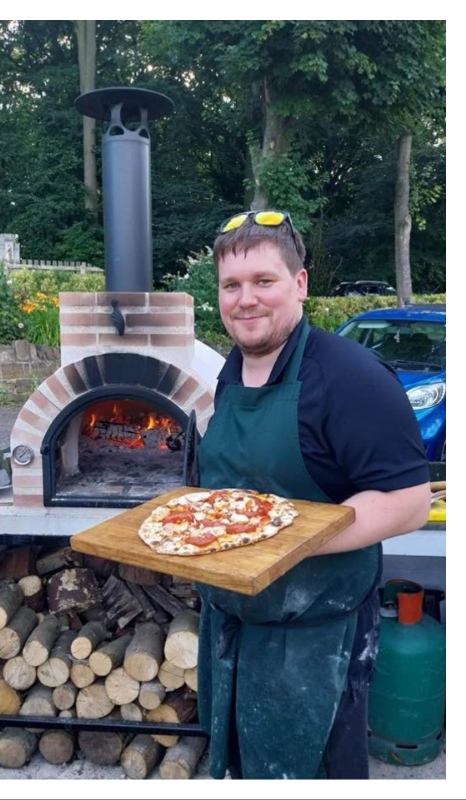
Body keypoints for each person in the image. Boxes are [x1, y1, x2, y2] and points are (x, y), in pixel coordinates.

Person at [195, 210, 431, 779]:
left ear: (300, 284)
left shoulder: (351, 375)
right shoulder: (229, 373)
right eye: (232, 285)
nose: (245, 300)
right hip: (232, 628)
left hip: (318, 639)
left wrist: (276, 541)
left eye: (263, 281)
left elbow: (410, 502)